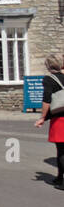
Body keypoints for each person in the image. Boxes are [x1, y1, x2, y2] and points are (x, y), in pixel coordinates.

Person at [33, 53, 64, 187]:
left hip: (59, 118)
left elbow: (46, 100)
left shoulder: (49, 79)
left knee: (61, 151)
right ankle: (59, 177)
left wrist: (42, 118)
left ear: (48, 65)